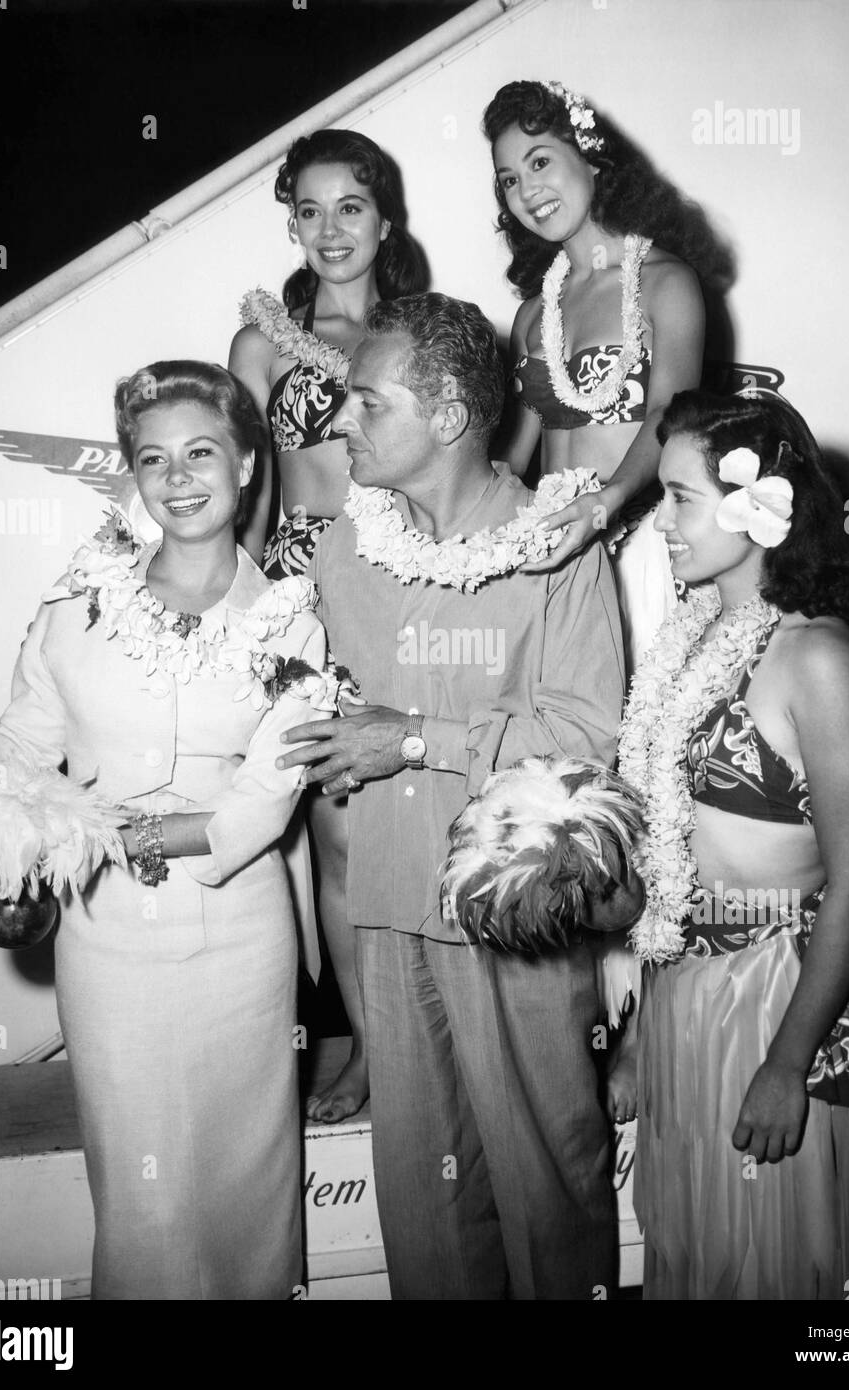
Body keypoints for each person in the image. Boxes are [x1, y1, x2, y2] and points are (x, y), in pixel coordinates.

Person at [0, 362, 330, 1298]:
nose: (179, 476)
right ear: (133, 476)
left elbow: (262, 804)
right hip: (107, 943)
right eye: (153, 459)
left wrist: (127, 835)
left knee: (247, 1186)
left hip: (241, 941)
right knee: (142, 1198)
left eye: (202, 452)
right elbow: (22, 748)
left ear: (246, 463)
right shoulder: (80, 601)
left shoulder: (292, 617)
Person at [278, 292, 626, 1300]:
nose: (338, 420)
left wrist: (417, 739)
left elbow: (584, 737)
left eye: (364, 400)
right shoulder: (346, 546)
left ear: (446, 415)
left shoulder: (550, 539)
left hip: (511, 913)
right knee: (423, 1207)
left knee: (546, 1189)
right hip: (388, 913)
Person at [619, 389, 849, 1299]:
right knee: (705, 1258)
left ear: (759, 505)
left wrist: (788, 1064)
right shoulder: (687, 636)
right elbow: (670, 859)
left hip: (786, 1008)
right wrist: (639, 1031)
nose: (660, 519)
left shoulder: (818, 658)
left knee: (789, 1266)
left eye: (679, 497)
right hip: (686, 1002)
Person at [229, 129, 427, 1123]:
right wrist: (247, 614)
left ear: (383, 218)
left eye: (349, 205)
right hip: (298, 591)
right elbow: (251, 498)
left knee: (384, 832)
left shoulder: (419, 332)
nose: (329, 228)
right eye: (308, 209)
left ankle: (402, 1041)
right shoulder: (260, 339)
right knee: (320, 836)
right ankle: (362, 1041)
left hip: (392, 586)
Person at [483, 78, 718, 662]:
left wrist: (606, 503)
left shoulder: (666, 282)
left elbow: (670, 415)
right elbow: (516, 456)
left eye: (540, 161)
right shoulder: (534, 314)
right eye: (509, 179)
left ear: (592, 160)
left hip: (640, 542)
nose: (526, 190)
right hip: (556, 550)